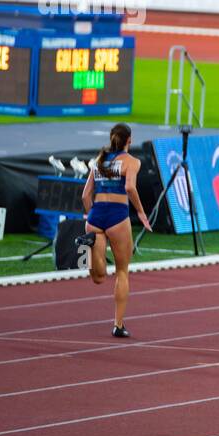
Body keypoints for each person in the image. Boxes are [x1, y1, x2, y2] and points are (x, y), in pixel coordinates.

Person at [79, 123, 152, 338]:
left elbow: (85, 196)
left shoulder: (98, 161)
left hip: (96, 215)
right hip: (117, 216)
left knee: (98, 277)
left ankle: (88, 247)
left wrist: (90, 216)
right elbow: (129, 187)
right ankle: (118, 325)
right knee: (122, 271)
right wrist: (140, 212)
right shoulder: (132, 162)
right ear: (129, 140)